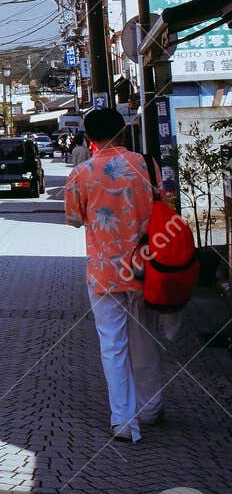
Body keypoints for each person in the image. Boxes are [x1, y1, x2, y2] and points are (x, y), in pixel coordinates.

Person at [63, 106, 165, 441]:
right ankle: (151, 408)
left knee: (113, 344)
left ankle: (123, 420)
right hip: (146, 267)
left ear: (88, 137)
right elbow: (163, 204)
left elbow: (74, 220)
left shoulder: (81, 173)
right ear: (122, 131)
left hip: (104, 272)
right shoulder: (147, 164)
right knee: (145, 339)